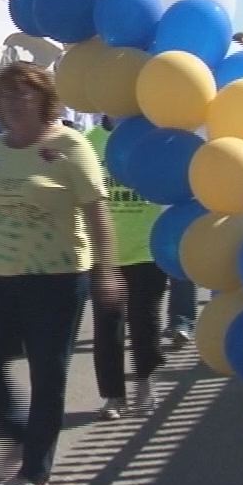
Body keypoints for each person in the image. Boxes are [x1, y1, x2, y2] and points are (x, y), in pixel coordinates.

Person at [0, 62, 118, 485]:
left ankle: (35, 467)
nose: (13, 103)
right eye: (6, 94)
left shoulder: (70, 145)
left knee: (47, 372)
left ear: (44, 98)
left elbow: (97, 212)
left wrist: (107, 271)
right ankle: (20, 432)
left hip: (57, 278)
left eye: (24, 93)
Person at [86, 118, 167, 420]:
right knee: (108, 327)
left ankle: (145, 385)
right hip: (105, 252)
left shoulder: (152, 137)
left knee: (146, 322)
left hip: (147, 247)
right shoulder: (90, 140)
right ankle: (113, 395)